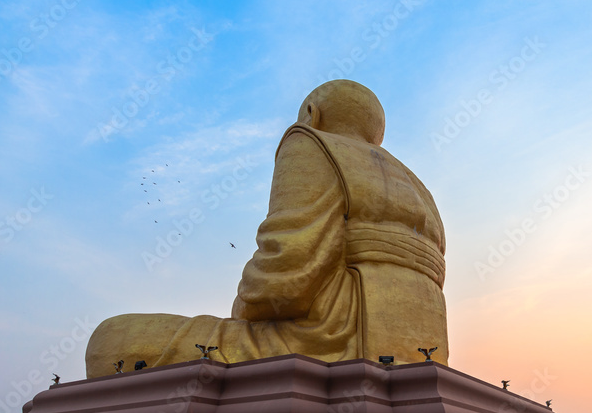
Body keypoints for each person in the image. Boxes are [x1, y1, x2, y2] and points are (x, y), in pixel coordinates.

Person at [84, 80, 449, 378]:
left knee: (112, 338)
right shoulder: (420, 190)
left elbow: (286, 276)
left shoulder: (313, 143)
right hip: (417, 353)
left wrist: (243, 305)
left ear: (311, 114)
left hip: (330, 339)